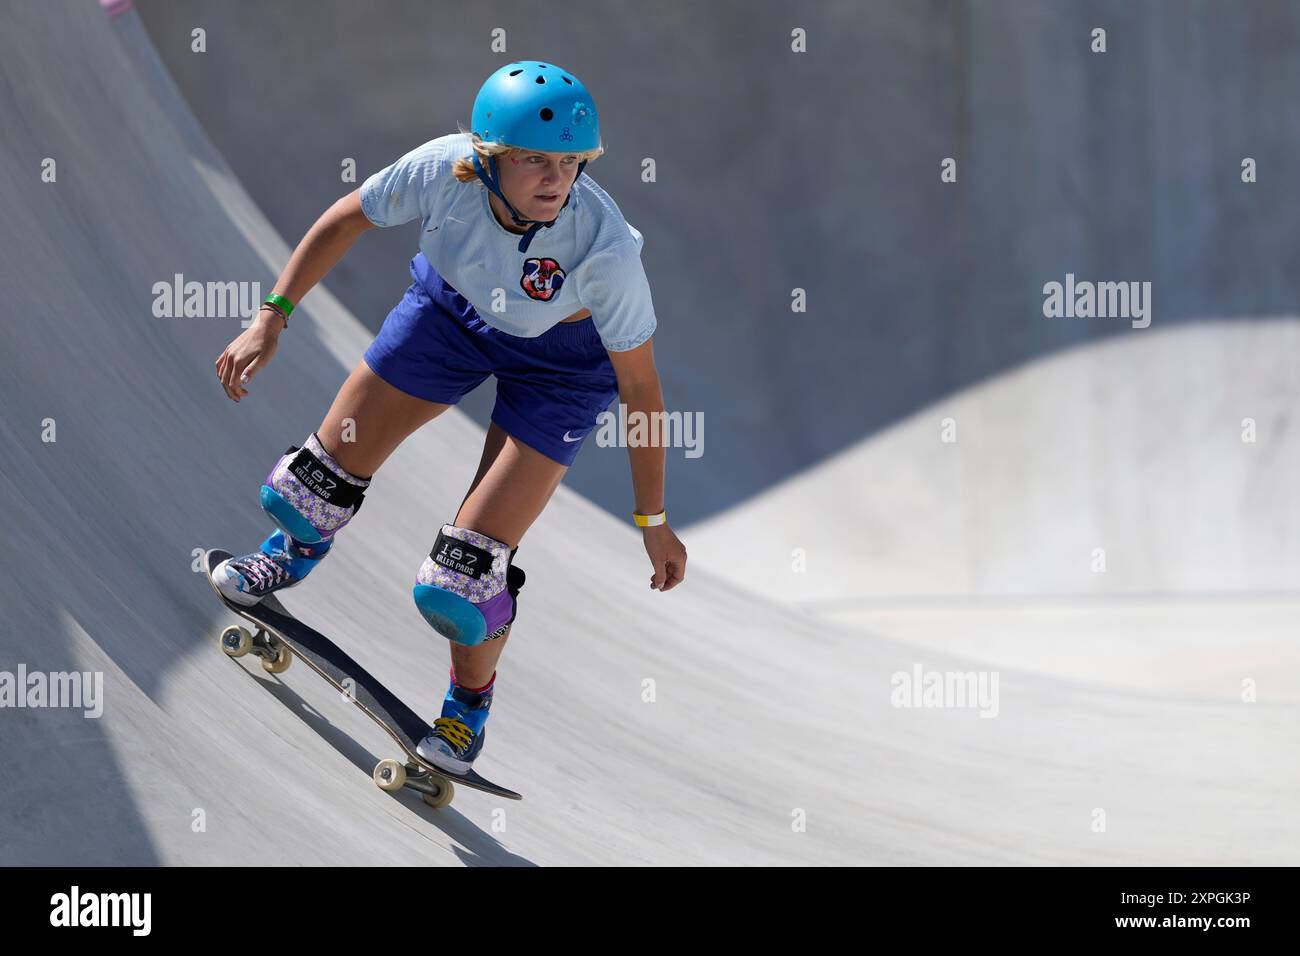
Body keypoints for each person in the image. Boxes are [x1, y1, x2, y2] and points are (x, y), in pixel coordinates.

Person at [211, 60, 687, 776]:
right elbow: (347, 217)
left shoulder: (606, 252)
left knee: (460, 583)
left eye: (570, 162)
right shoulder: (442, 169)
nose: (556, 180)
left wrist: (652, 521)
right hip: (451, 317)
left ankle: (468, 706)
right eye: (534, 160)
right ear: (487, 159)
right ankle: (291, 551)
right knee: (303, 489)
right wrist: (270, 317)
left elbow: (642, 391)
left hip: (563, 369)